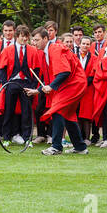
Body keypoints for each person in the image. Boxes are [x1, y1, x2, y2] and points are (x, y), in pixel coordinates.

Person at [33, 26, 88, 156]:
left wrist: (51, 87)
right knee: (68, 115)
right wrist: (39, 90)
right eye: (33, 40)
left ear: (46, 38)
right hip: (71, 84)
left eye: (37, 40)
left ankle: (56, 146)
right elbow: (55, 77)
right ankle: (80, 147)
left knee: (57, 110)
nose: (34, 43)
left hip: (74, 84)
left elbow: (64, 72)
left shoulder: (55, 49)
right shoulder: (47, 52)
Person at [0, 25, 42, 145]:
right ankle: (6, 137)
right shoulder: (7, 50)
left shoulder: (33, 50)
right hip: (12, 82)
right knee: (8, 111)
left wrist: (33, 85)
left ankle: (27, 138)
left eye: (27, 37)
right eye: (22, 36)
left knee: (27, 112)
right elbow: (2, 68)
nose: (25, 39)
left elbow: (37, 69)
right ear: (17, 36)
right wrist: (5, 84)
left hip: (27, 83)